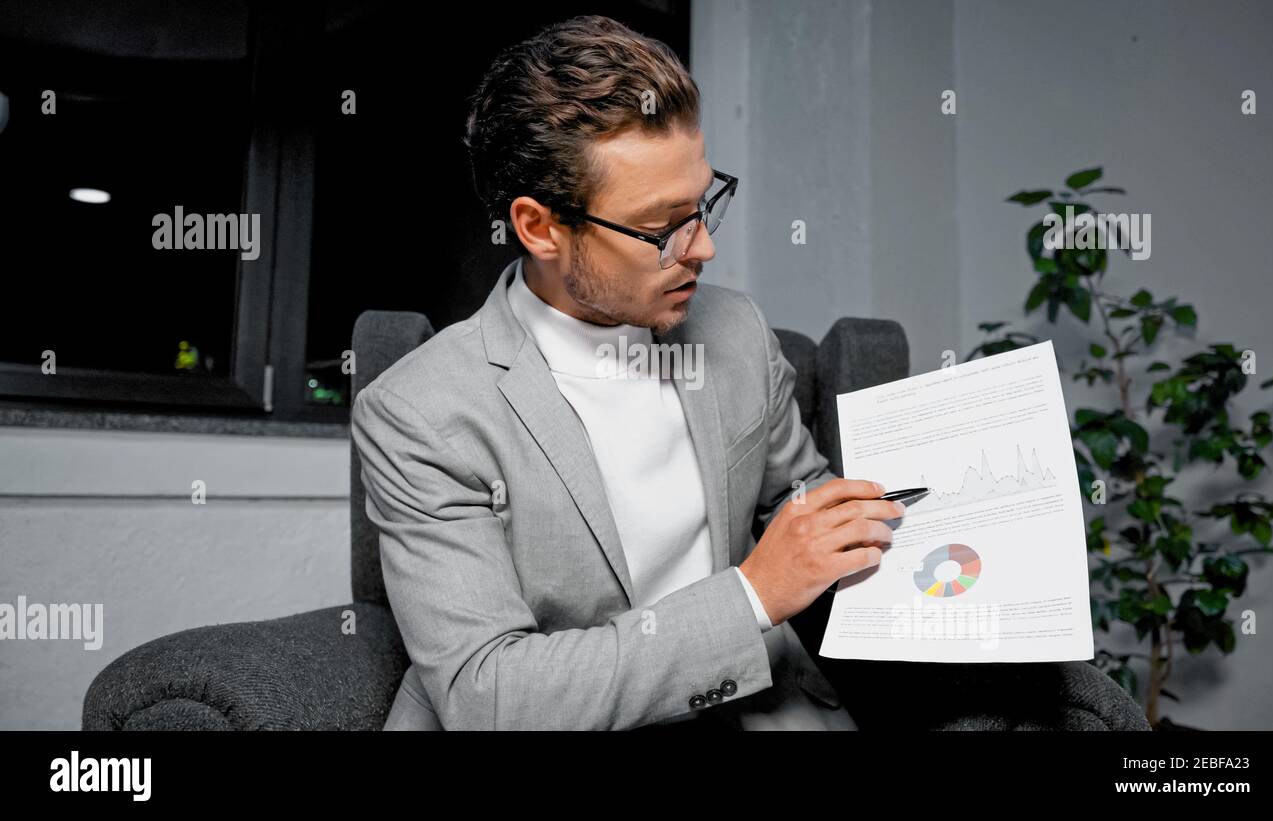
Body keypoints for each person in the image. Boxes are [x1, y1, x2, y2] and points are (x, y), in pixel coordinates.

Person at [351, 14, 899, 731]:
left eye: (704, 202)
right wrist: (753, 596)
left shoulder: (734, 331)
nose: (701, 246)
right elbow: (491, 694)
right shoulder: (421, 412)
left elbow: (805, 500)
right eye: (663, 226)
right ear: (541, 227)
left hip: (753, 708)